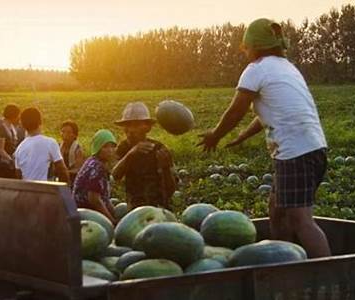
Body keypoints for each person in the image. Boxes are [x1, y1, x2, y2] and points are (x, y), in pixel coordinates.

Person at [197, 18, 331, 258]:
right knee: (277, 210)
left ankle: (331, 273)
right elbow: (266, 115)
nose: (245, 52)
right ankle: (282, 259)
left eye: (246, 47)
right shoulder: (287, 67)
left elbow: (236, 110)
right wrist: (241, 137)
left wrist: (215, 135)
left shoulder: (256, 69)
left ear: (256, 46)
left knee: (301, 220)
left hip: (295, 153)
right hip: (312, 148)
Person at [111, 102, 176, 210]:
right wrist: (131, 154)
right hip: (135, 209)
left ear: (147, 127)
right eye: (127, 125)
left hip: (159, 207)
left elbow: (171, 190)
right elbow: (115, 175)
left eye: (136, 125)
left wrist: (165, 169)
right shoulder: (123, 148)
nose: (131, 130)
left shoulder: (159, 149)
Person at [73, 129, 117, 223]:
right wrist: (112, 221)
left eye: (112, 147)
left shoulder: (92, 161)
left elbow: (104, 198)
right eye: (105, 147)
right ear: (97, 148)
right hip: (86, 213)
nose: (110, 150)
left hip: (80, 209)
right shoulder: (98, 167)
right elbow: (94, 200)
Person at [14, 107, 69, 183]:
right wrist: (66, 192)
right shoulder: (50, 142)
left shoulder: (19, 149)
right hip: (44, 191)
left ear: (23, 125)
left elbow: (19, 175)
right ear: (40, 122)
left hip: (26, 191)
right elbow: (62, 170)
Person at [0, 104, 21, 178]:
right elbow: (0, 149)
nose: (18, 117)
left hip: (8, 160)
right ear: (13, 116)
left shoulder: (9, 124)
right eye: (18, 115)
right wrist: (11, 161)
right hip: (2, 162)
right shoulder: (0, 127)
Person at [60, 119, 85, 184]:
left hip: (74, 180)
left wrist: (65, 172)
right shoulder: (59, 147)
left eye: (68, 132)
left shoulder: (78, 150)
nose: (64, 134)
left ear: (75, 135)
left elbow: (78, 169)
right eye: (63, 131)